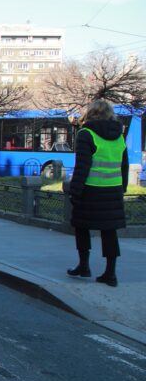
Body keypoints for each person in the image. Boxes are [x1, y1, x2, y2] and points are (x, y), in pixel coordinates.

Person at [67, 99, 128, 287]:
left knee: (81, 226)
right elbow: (124, 165)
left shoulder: (86, 133)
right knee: (109, 231)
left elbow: (82, 167)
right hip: (113, 190)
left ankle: (84, 265)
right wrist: (122, 188)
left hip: (90, 190)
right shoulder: (119, 135)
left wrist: (74, 191)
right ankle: (110, 273)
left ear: (90, 113)